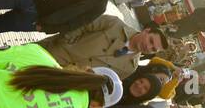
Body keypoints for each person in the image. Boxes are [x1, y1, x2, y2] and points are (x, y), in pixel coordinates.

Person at [37, 16, 168, 77]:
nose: (148, 47)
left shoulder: (130, 68)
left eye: (153, 49)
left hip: (59, 77)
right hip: (51, 51)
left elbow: (103, 81)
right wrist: (65, 41)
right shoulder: (115, 24)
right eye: (151, 41)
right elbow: (84, 24)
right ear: (147, 30)